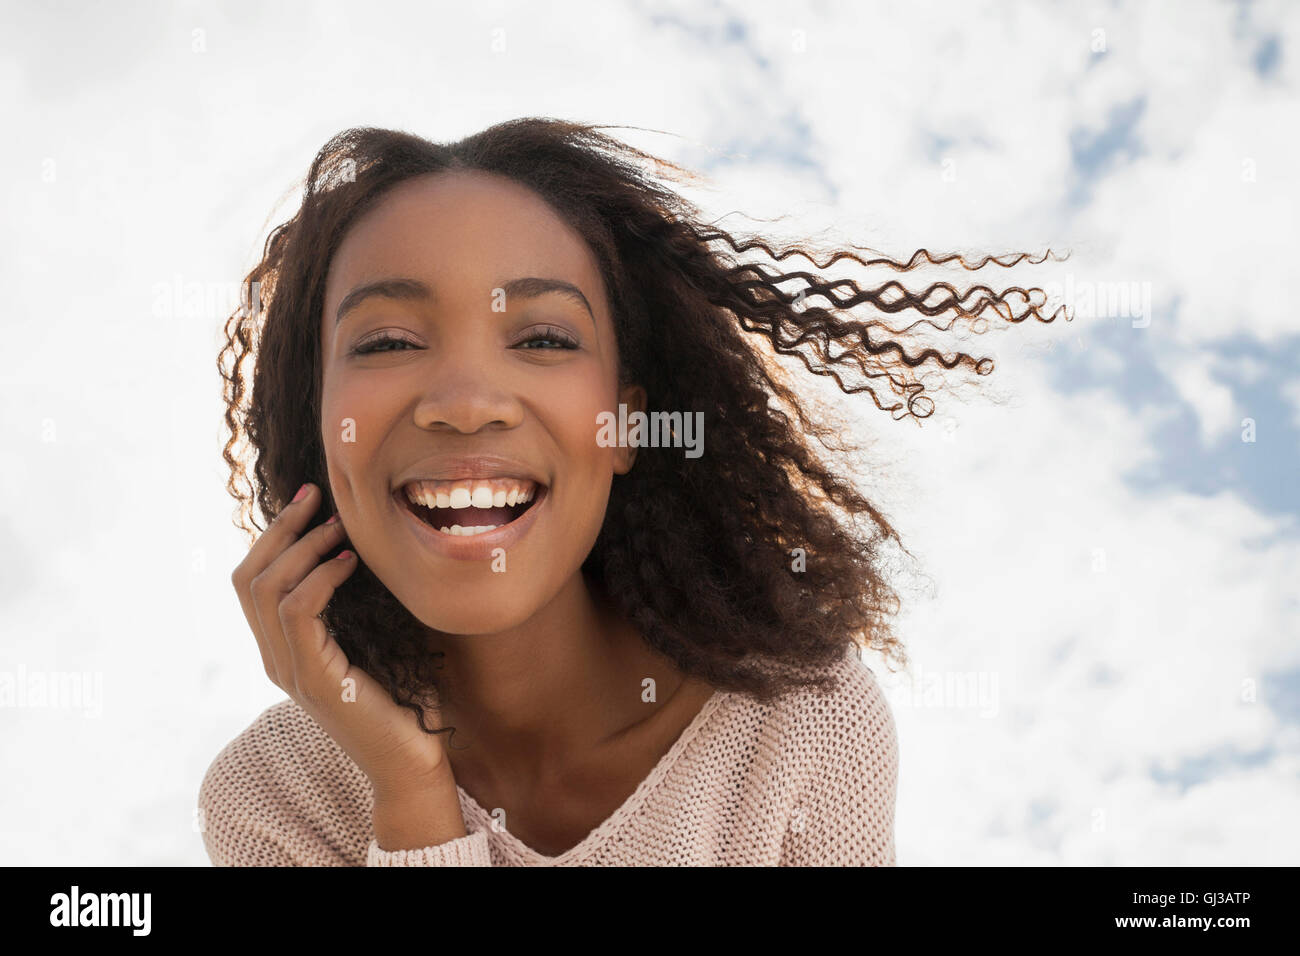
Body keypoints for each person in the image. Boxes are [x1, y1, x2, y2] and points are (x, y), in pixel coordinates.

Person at [198, 118, 1065, 866]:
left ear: (624, 426)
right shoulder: (269, 802)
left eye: (541, 337)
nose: (465, 404)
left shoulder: (798, 728)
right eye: (387, 342)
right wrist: (410, 792)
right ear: (316, 421)